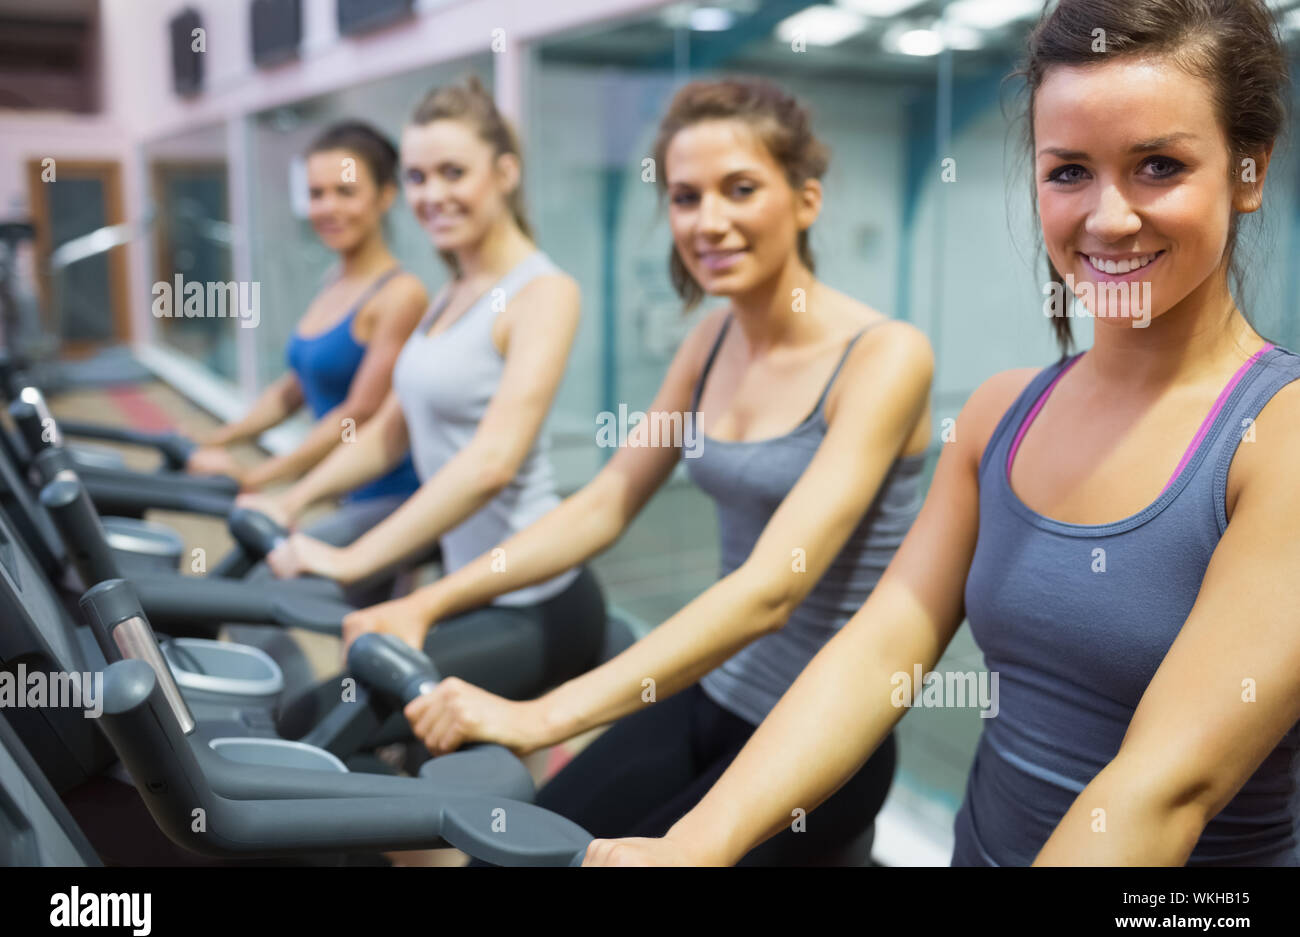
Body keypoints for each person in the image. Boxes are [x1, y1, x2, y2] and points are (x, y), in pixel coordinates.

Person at [579, 0, 1300, 867]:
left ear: (1249, 173)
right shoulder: (999, 416)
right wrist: (694, 844)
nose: (1108, 218)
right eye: (1068, 172)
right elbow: (882, 646)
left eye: (1158, 166)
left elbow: (1161, 790)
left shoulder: (1278, 435)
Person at [348, 77, 935, 864]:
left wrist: (545, 716)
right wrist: (428, 603)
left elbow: (772, 590)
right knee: (514, 853)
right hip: (711, 693)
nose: (709, 221)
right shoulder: (710, 342)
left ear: (806, 200)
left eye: (741, 189)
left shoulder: (884, 357)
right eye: (686, 197)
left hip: (819, 739)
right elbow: (606, 503)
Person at [259, 77, 607, 737]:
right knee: (376, 746)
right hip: (465, 587)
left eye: (454, 172)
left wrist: (356, 558)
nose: (433, 194)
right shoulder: (452, 292)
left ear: (505, 172)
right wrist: (291, 500)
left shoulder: (543, 293)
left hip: (535, 601)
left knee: (320, 724)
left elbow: (492, 464)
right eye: (418, 176)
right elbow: (386, 434)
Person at [187, 121, 426, 548]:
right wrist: (217, 438)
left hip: (388, 495)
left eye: (345, 191)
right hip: (336, 488)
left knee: (280, 579)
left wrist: (257, 477)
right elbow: (294, 389)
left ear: (386, 196)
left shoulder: (400, 295)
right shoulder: (333, 280)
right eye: (317, 194)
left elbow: (357, 415)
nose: (327, 207)